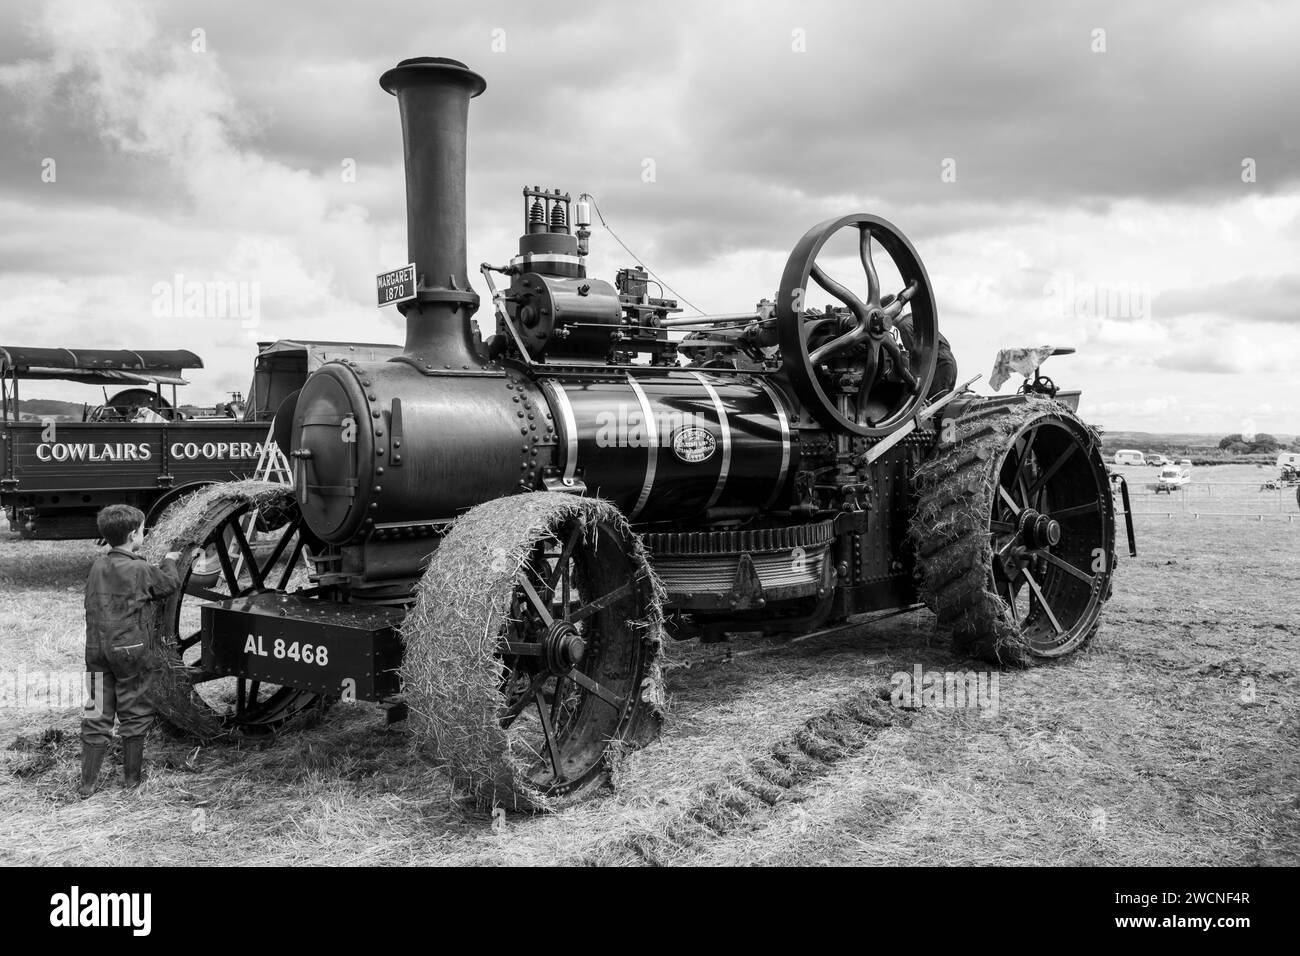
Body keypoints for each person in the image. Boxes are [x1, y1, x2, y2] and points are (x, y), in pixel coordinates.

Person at [79, 504, 183, 798]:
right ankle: (131, 781)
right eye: (142, 530)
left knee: (97, 710)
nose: (143, 534)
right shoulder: (140, 568)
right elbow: (169, 584)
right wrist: (170, 559)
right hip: (130, 649)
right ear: (133, 534)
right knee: (134, 708)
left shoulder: (98, 566)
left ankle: (87, 784)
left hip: (96, 647)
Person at [894, 312, 958, 400]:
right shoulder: (914, 318)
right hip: (948, 361)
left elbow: (915, 359)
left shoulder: (903, 326)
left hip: (937, 366)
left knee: (934, 405)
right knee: (941, 405)